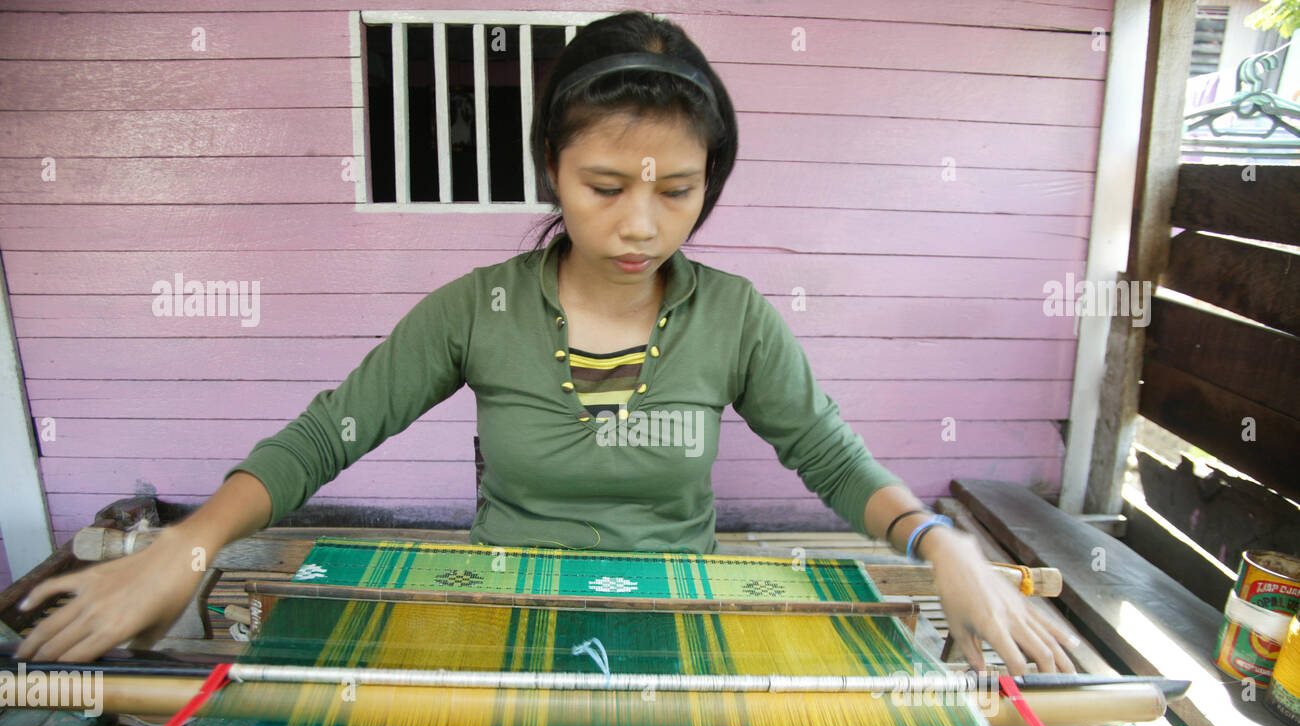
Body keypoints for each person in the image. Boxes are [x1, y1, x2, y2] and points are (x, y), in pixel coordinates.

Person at [15, 10, 1078, 676]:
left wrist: (946, 549)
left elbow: (835, 461)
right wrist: (184, 548)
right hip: (503, 622)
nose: (643, 224)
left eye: (681, 189)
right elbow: (318, 442)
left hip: (680, 626)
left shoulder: (737, 317)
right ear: (550, 172)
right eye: (605, 188)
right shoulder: (477, 311)